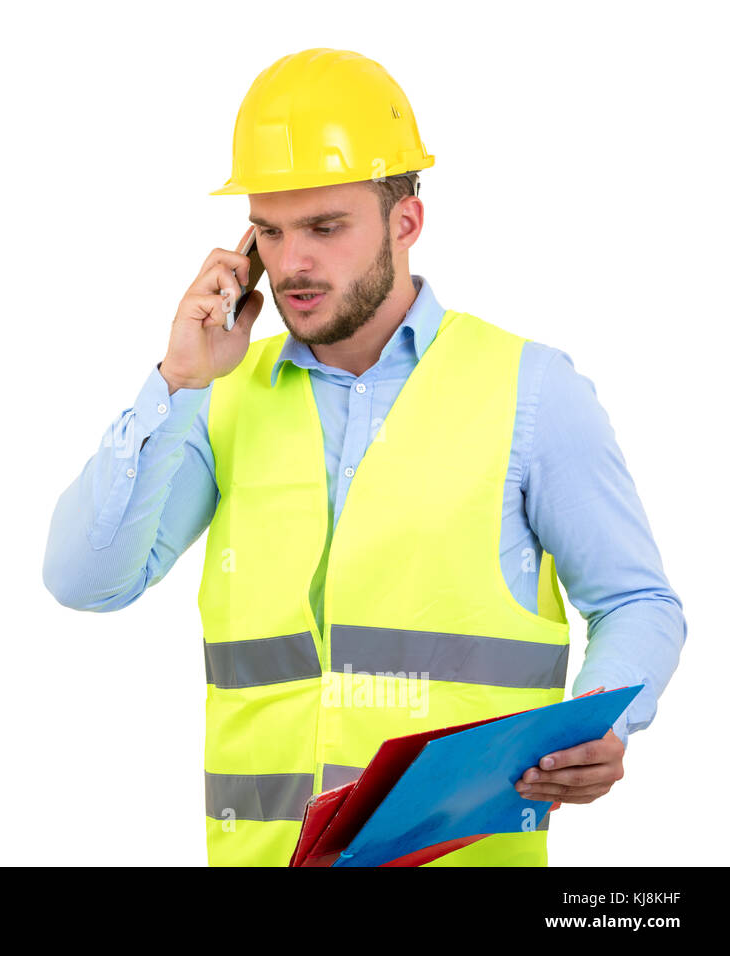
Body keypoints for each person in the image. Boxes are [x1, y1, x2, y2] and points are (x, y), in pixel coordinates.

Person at [41, 49, 685, 866]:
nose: (292, 264)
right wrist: (177, 381)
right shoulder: (220, 400)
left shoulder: (532, 391)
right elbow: (83, 579)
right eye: (270, 232)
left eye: (325, 227)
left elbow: (637, 600)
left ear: (405, 222)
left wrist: (601, 718)